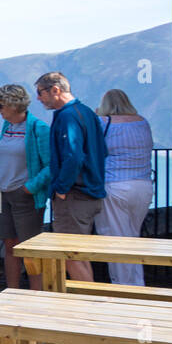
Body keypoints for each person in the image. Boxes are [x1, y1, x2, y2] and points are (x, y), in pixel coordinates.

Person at [35, 71, 106, 284]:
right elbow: (102, 150)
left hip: (75, 196)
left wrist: (62, 189)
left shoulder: (67, 116)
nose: (38, 98)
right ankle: (87, 302)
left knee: (70, 256)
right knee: (80, 254)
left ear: (55, 90)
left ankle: (88, 306)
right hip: (90, 193)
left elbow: (73, 155)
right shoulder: (86, 112)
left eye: (40, 93)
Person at [0, 83, 52, 290]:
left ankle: (37, 296)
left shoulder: (38, 129)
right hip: (0, 193)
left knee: (30, 249)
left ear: (13, 105)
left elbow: (51, 165)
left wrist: (30, 188)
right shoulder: (7, 127)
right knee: (8, 245)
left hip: (24, 196)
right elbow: (3, 159)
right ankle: (12, 291)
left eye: (0, 105)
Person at [94, 89, 154, 286]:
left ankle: (123, 288)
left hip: (115, 186)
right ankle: (137, 285)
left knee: (117, 241)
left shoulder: (104, 123)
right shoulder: (142, 122)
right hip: (143, 186)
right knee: (133, 237)